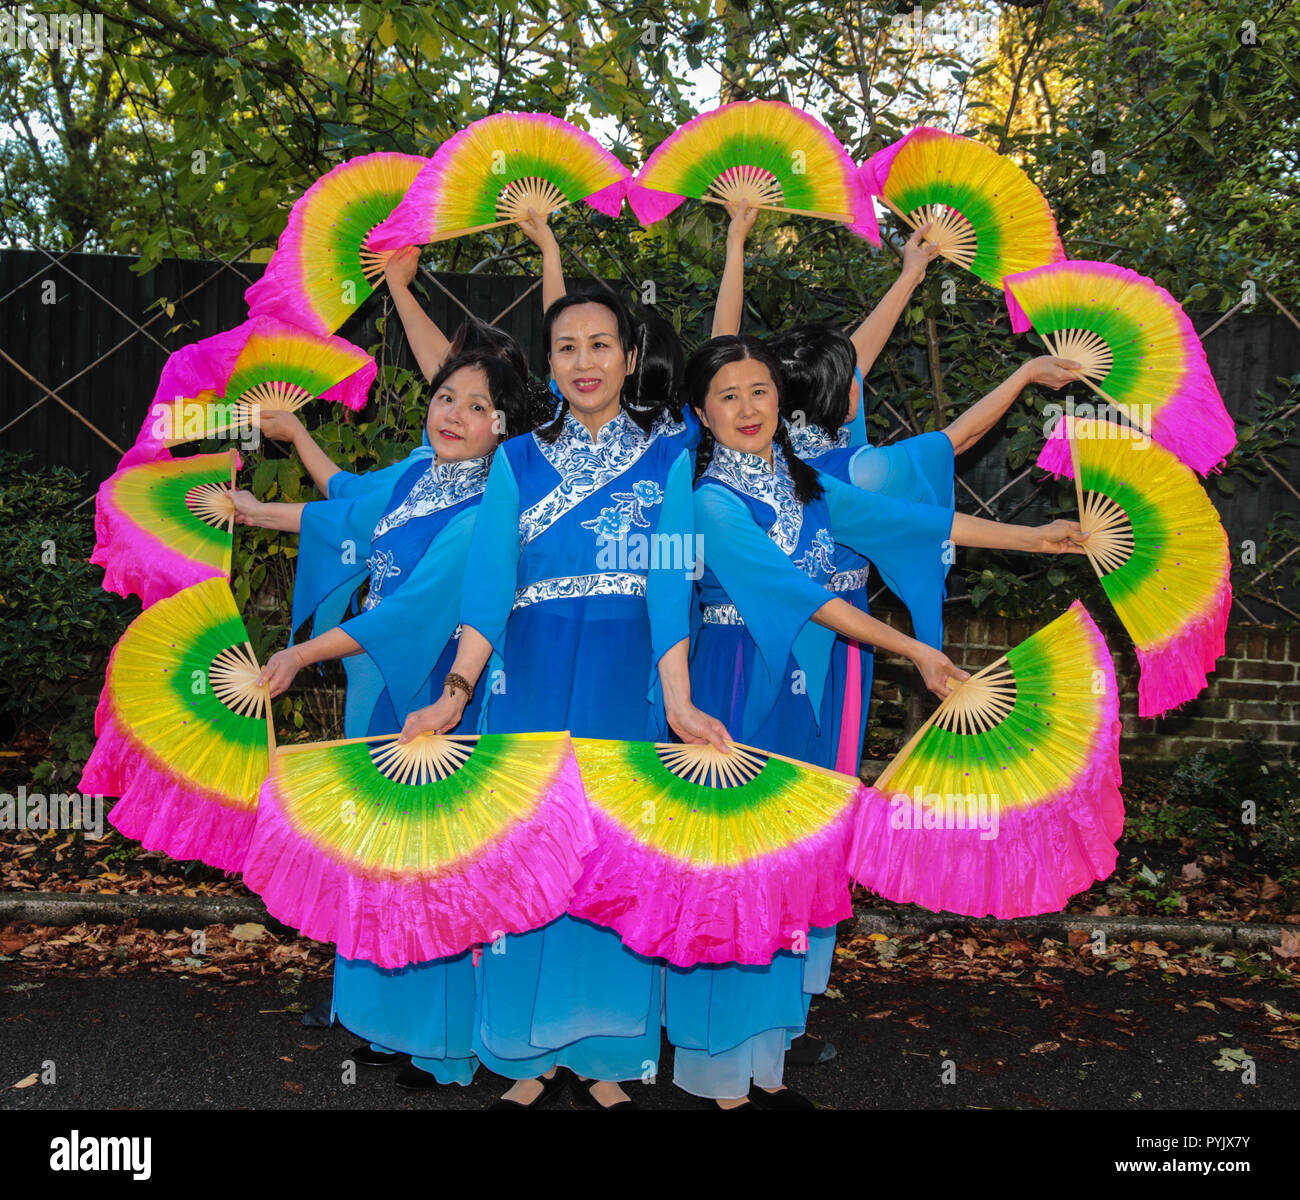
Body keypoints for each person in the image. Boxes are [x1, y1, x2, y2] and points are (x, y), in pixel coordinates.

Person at [670, 334, 1087, 1108]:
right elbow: (803, 595)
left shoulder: (809, 487)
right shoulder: (708, 501)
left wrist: (1036, 537)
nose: (747, 408)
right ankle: (719, 1076)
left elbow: (916, 524)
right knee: (736, 864)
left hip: (817, 687)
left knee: (797, 864)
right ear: (701, 413)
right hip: (738, 691)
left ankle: (765, 1060)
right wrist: (916, 653)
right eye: (727, 396)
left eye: (759, 390)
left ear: (780, 400)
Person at [400, 284, 729, 1109]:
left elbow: (671, 582)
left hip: (628, 678)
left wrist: (680, 700)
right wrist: (455, 691)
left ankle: (607, 1055)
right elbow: (488, 585)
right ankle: (522, 1055)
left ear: (627, 355)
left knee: (614, 859)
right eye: (567, 347)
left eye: (600, 345)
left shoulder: (670, 452)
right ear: (549, 364)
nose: (584, 362)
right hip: (531, 673)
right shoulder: (513, 459)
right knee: (528, 857)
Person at [230, 350, 530, 1090]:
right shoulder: (413, 472)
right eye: (445, 396)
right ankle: (391, 1025)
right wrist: (283, 461)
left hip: (435, 691)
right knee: (384, 854)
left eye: (477, 407)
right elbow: (348, 507)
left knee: (435, 860)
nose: (454, 415)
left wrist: (301, 655)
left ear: (503, 426)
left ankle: (445, 1042)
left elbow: (412, 611)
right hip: (378, 683)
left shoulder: (491, 508)